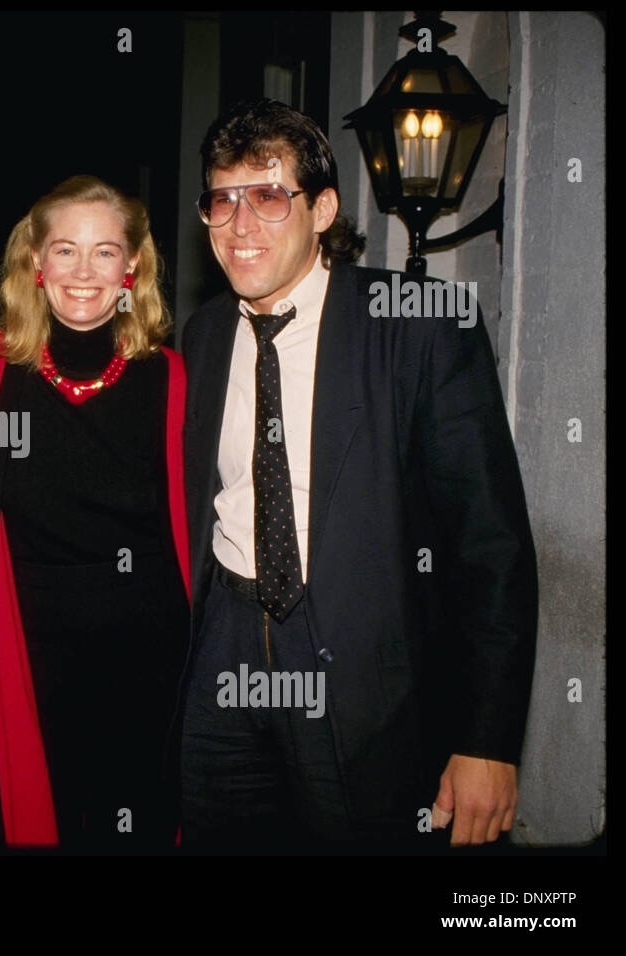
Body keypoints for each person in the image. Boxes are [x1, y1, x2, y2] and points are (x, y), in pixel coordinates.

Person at [179, 99, 538, 851]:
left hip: (366, 665)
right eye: (222, 200)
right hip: (225, 646)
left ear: (322, 210)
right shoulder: (206, 333)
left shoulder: (420, 322)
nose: (240, 226)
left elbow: (491, 547)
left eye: (269, 197)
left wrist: (488, 740)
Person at [0, 175, 192, 852]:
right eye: (65, 250)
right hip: (27, 651)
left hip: (146, 662)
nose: (83, 271)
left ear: (132, 266)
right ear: (35, 263)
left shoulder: (171, 377)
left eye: (105, 252)